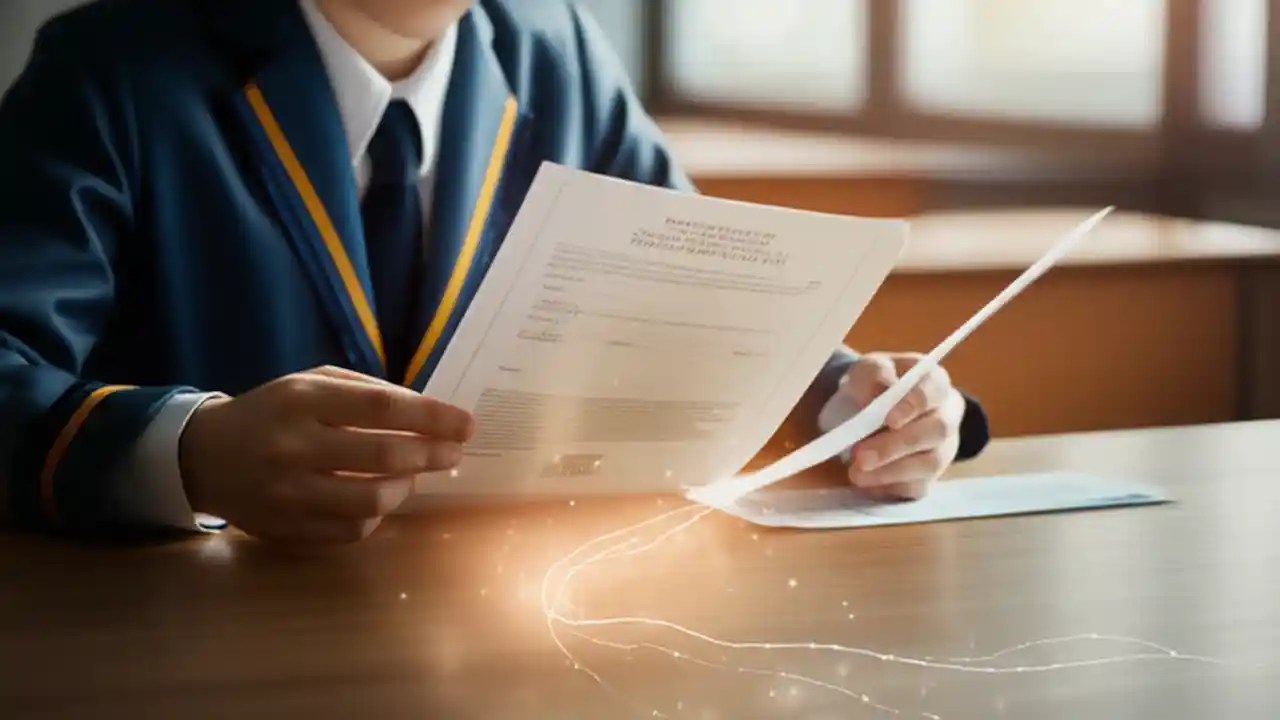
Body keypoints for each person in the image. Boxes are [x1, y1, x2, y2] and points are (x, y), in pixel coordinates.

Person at [0, 0, 987, 542]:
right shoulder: (113, 66)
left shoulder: (549, 45)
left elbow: (694, 295)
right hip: (192, 632)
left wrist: (849, 406)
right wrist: (190, 451)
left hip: (503, 627)